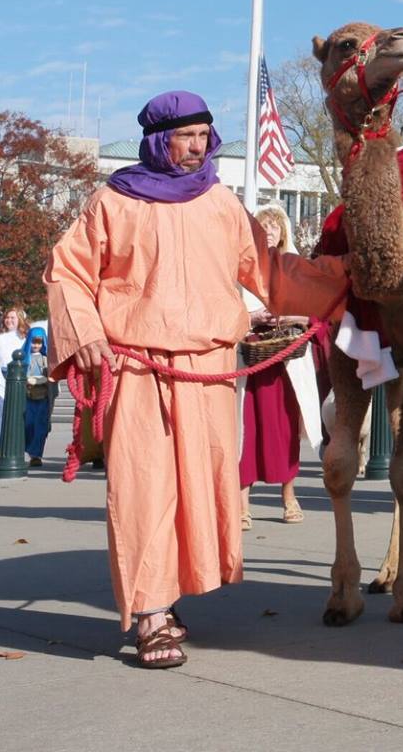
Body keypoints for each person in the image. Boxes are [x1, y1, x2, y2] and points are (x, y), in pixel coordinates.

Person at [43, 91, 348, 670]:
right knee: (142, 488)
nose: (197, 146)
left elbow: (269, 270)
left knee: (197, 491)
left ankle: (166, 594)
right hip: (139, 368)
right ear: (160, 139)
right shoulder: (112, 201)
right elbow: (67, 272)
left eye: (205, 136)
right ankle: (152, 611)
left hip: (207, 370)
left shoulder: (221, 203)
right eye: (186, 136)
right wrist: (87, 336)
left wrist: (341, 284)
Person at [238, 205, 318, 527]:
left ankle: (289, 497)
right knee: (245, 431)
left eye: (273, 225)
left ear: (283, 231)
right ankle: (242, 504)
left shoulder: (296, 269)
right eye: (263, 225)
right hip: (249, 359)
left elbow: (312, 313)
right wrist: (252, 318)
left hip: (285, 361)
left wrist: (289, 317)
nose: (268, 230)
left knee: (283, 430)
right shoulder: (241, 268)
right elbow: (229, 309)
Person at [22, 325, 57, 467]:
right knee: (28, 425)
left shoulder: (46, 359)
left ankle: (36, 455)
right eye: (33, 341)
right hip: (28, 398)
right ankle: (30, 452)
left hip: (43, 399)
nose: (36, 345)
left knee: (40, 427)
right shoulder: (24, 358)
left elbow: (53, 378)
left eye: (39, 342)